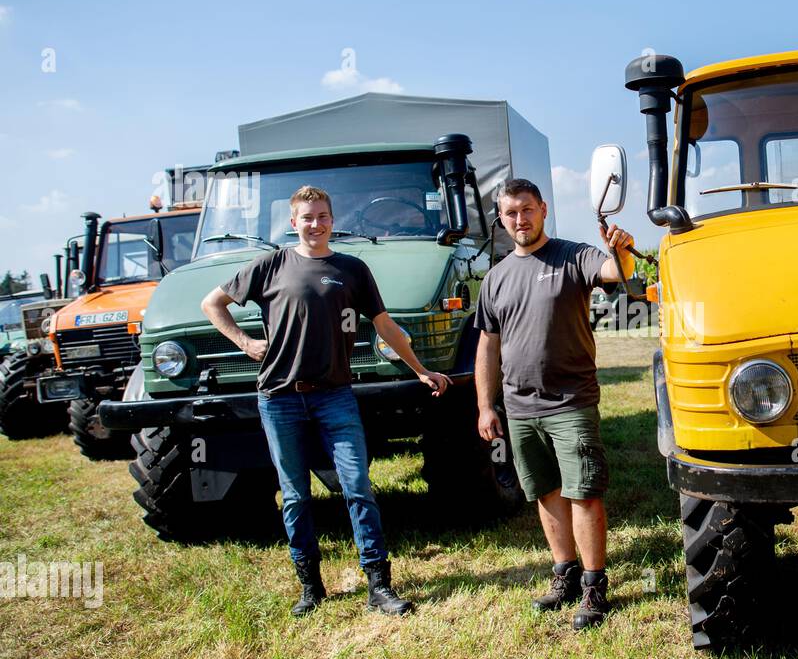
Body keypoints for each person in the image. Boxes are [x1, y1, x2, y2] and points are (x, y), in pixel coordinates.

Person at [201, 185, 451, 618]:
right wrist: (244, 342)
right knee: (296, 496)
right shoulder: (270, 265)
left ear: (332, 220)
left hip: (335, 396)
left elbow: (385, 325)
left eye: (322, 216)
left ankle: (379, 585)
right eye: (307, 217)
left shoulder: (352, 269)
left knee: (358, 488)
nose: (315, 224)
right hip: (279, 398)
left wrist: (418, 368)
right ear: (293, 223)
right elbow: (212, 303)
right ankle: (310, 587)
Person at [474, 178, 634, 630]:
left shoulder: (571, 255)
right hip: (520, 407)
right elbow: (488, 345)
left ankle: (594, 583)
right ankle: (564, 573)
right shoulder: (497, 277)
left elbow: (612, 273)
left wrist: (620, 247)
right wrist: (487, 406)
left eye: (527, 209)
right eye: (511, 213)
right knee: (545, 491)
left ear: (543, 209)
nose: (520, 220)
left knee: (584, 491)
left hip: (570, 401)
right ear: (502, 220)